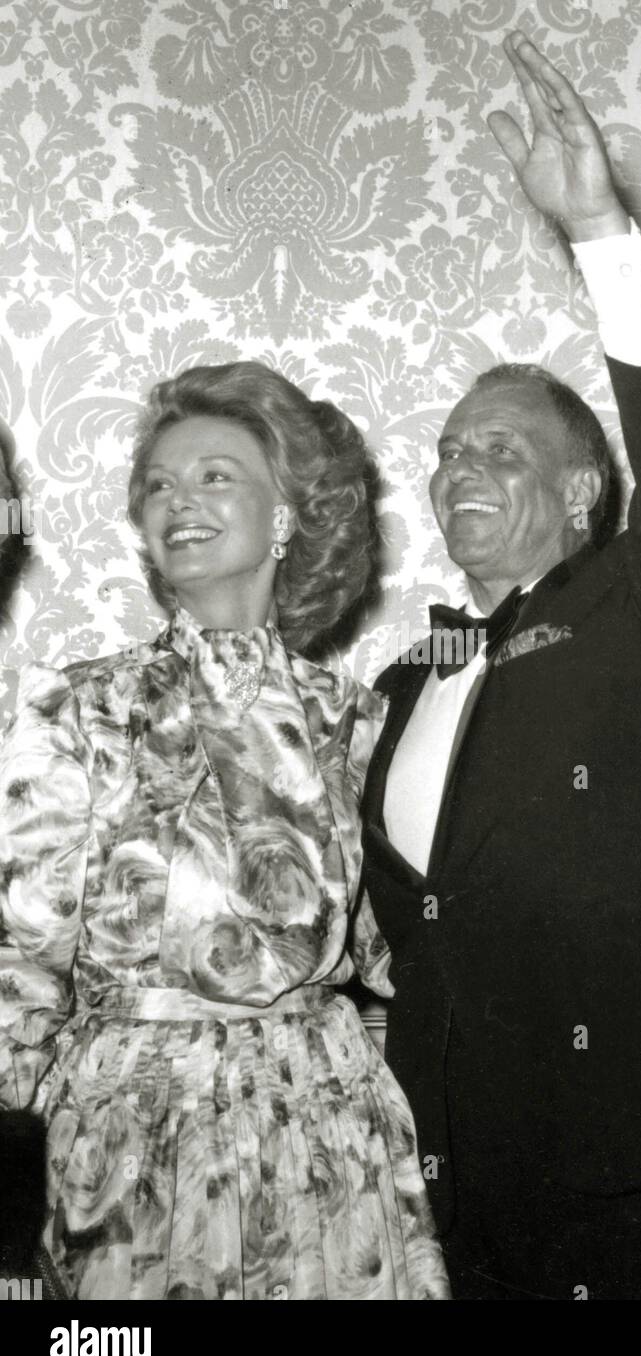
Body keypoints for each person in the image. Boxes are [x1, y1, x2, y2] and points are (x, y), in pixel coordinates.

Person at [361, 32, 641, 1300]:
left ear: (584, 493)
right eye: (450, 450)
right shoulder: (403, 684)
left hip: (631, 1157)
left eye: (501, 450)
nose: (461, 467)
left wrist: (599, 232)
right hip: (451, 1162)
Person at [0, 361, 450, 1300]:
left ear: (287, 514)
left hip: (326, 1130)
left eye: (215, 475)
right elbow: (19, 968)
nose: (179, 501)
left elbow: (406, 952)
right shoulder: (79, 707)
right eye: (159, 484)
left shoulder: (358, 720)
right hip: (133, 1139)